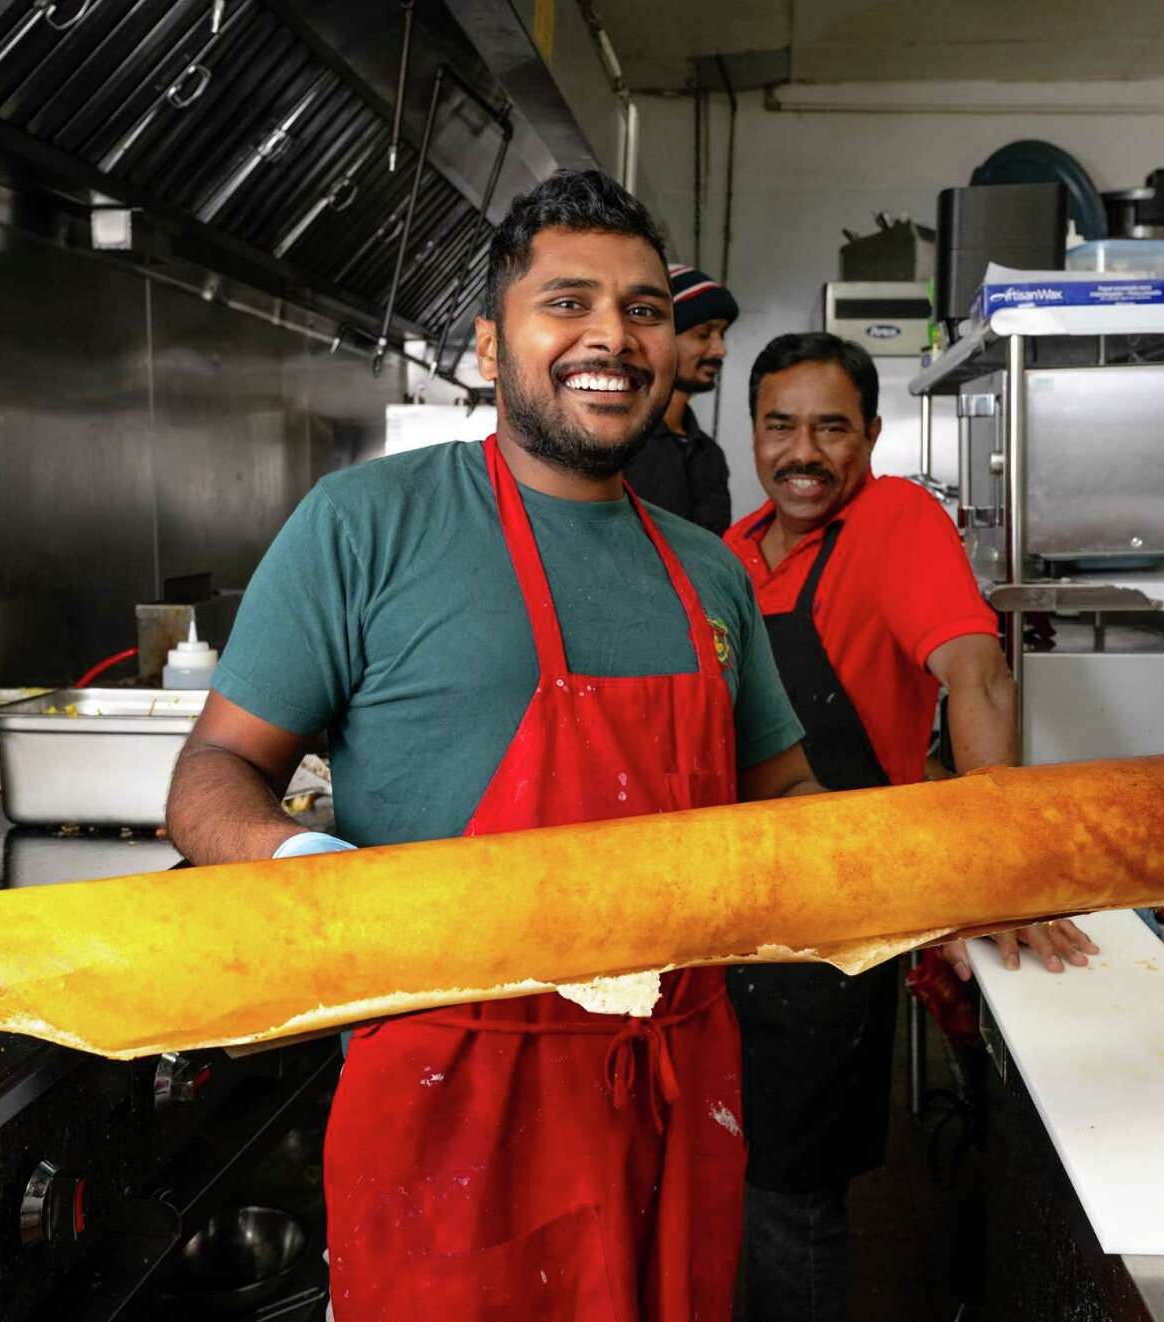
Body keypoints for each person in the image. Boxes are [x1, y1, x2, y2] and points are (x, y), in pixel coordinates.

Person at [165, 170, 818, 1321]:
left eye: (646, 310)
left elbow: (793, 802)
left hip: (677, 1087)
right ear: (488, 343)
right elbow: (215, 772)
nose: (612, 335)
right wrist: (290, 864)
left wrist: (960, 893)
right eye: (567, 302)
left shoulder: (711, 568)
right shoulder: (366, 523)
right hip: (451, 1103)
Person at [720, 331, 1099, 1322]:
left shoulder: (895, 519)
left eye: (832, 427)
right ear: (751, 432)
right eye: (780, 425)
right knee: (730, 1180)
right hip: (726, 911)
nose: (805, 451)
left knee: (794, 1194)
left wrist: (995, 854)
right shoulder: (727, 556)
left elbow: (975, 668)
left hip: (837, 926)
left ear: (873, 436)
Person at [620, 263, 737, 533]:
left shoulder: (709, 454)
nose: (720, 349)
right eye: (704, 334)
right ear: (662, 339)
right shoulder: (621, 443)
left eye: (722, 334)